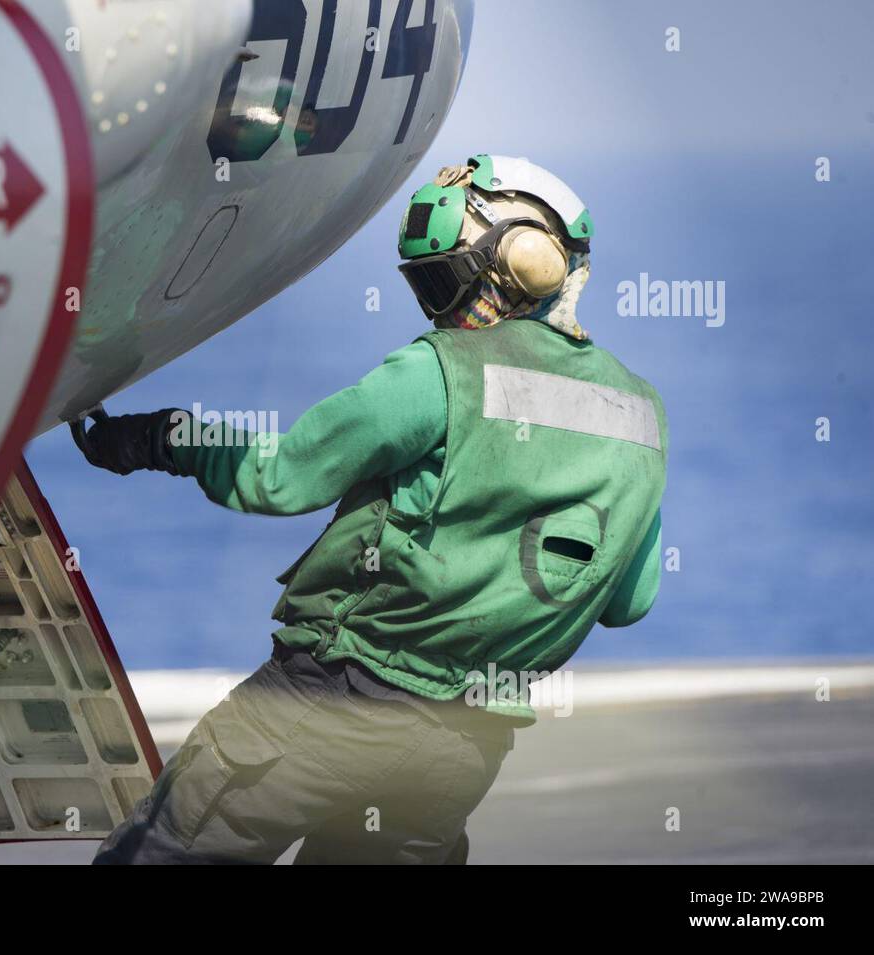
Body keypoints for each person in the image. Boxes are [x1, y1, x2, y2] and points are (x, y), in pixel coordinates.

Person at [74, 155, 668, 864]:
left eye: (446, 279)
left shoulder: (440, 371)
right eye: (426, 287)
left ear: (526, 261)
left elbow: (280, 478)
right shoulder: (638, 415)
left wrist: (162, 436)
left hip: (334, 701)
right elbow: (630, 600)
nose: (443, 309)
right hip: (464, 746)